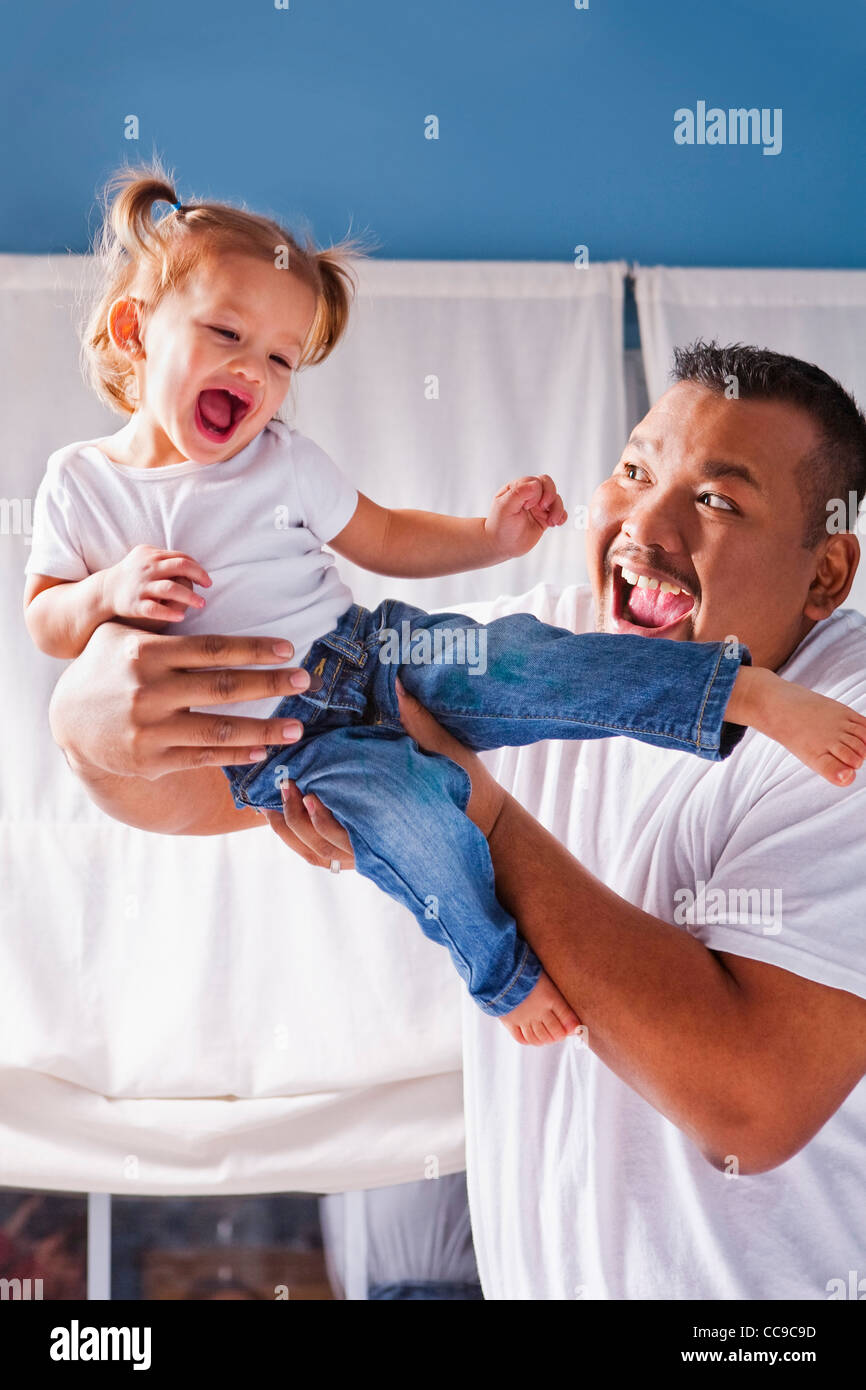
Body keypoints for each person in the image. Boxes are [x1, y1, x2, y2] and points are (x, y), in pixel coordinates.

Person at [46, 340, 866, 1297]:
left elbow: (749, 1103)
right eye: (635, 470)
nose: (645, 521)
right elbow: (202, 785)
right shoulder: (545, 648)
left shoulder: (845, 729)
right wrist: (87, 734)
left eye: (718, 499)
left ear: (826, 574)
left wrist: (476, 816)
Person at [22, 167, 866, 1045]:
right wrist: (103, 604)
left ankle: (738, 694)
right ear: (134, 330)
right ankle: (502, 977)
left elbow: (385, 537)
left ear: (828, 572)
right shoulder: (83, 485)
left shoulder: (283, 459)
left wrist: (488, 536)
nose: (256, 372)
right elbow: (45, 617)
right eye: (227, 333)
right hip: (296, 743)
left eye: (280, 358)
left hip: (370, 651)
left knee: (533, 661)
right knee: (415, 830)